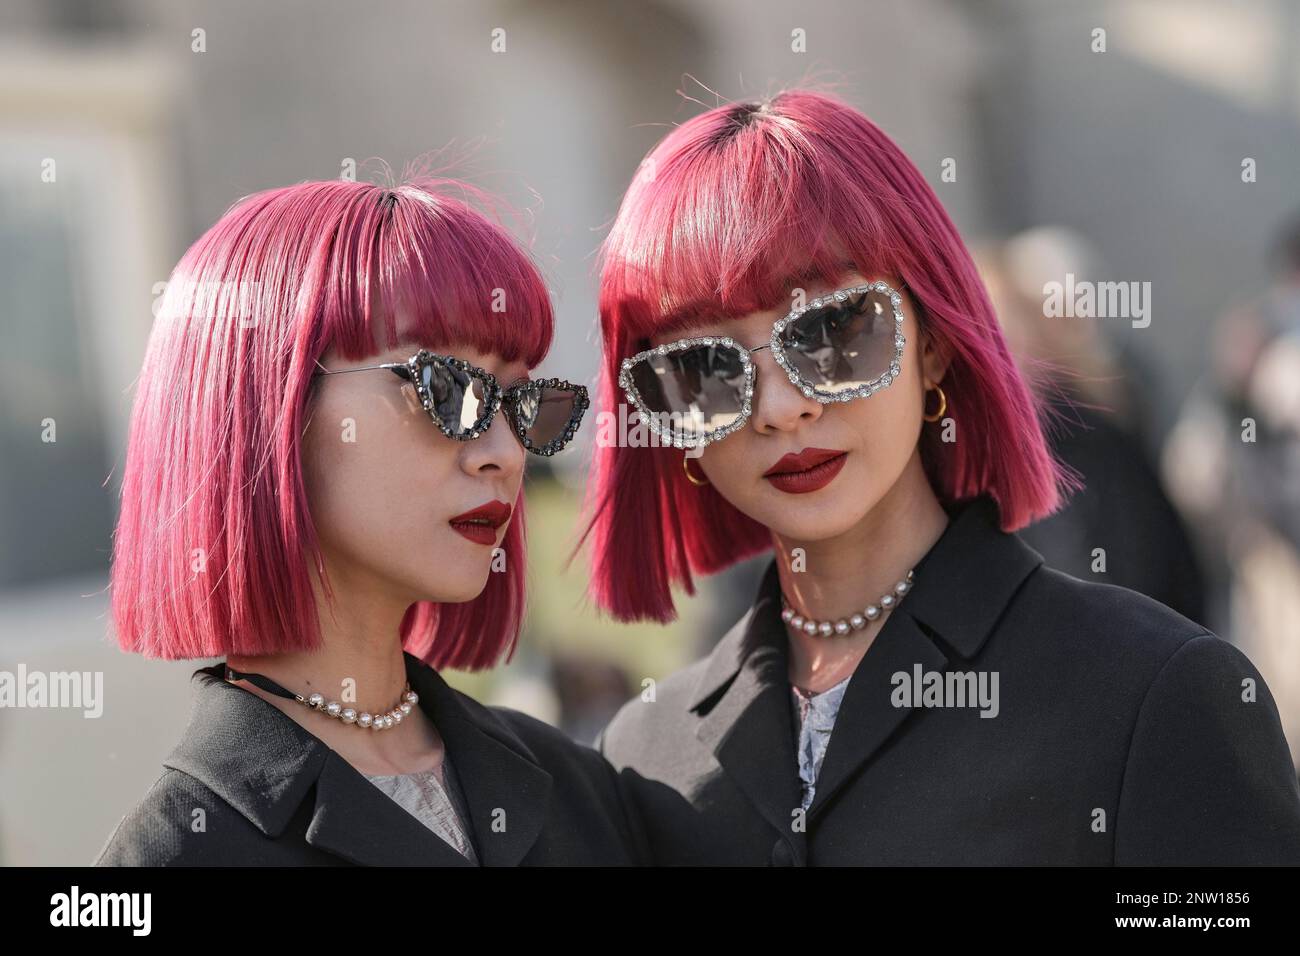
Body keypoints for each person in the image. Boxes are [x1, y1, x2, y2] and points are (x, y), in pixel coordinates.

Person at [583, 89, 1300, 865]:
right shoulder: (641, 756)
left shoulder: (1152, 693)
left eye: (832, 330)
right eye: (702, 368)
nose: (780, 408)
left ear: (933, 344)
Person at [95, 174, 644, 866]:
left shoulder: (576, 785)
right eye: (446, 388)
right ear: (271, 404)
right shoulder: (174, 855)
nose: (504, 454)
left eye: (520, 403)